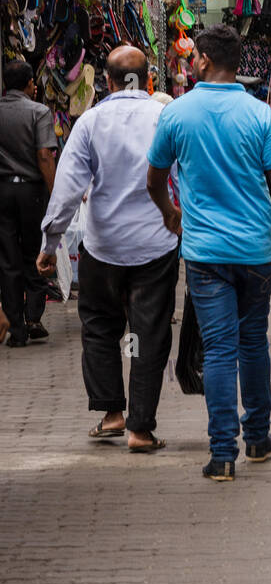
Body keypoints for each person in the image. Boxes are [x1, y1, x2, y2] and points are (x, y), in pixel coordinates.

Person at [146, 24, 271, 482]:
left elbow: (154, 179)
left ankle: (223, 454)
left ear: (202, 59)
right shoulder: (261, 114)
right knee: (252, 342)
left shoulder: (177, 114)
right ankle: (258, 438)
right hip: (256, 251)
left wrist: (170, 213)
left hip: (205, 254)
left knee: (219, 350)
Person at [36, 46, 180, 453]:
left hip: (103, 247)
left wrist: (50, 244)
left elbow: (66, 193)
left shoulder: (90, 123)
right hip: (156, 243)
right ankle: (141, 429)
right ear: (149, 80)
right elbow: (185, 176)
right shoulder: (165, 118)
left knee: (100, 328)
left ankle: (111, 413)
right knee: (149, 334)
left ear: (108, 82)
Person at [0, 59, 57, 347]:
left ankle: (17, 329)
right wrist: (57, 192)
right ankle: (33, 316)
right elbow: (45, 156)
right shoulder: (39, 111)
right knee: (34, 250)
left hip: (3, 192)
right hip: (31, 193)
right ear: (28, 84)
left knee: (8, 260)